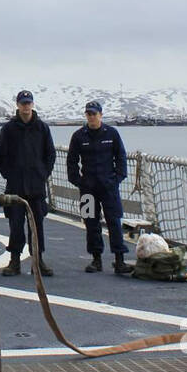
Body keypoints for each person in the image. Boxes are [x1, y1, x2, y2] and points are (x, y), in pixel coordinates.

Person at [66, 100, 132, 274]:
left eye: (94, 114)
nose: (91, 117)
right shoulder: (78, 136)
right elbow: (72, 161)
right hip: (88, 188)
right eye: (89, 114)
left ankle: (119, 260)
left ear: (100, 115)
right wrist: (77, 181)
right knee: (90, 222)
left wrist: (117, 178)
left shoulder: (112, 134)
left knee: (114, 221)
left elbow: (121, 157)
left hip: (109, 187)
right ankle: (96, 259)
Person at [0, 90, 56, 276]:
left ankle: (37, 261)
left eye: (28, 103)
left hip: (36, 187)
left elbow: (50, 154)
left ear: (32, 104)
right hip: (15, 186)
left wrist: (43, 174)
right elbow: (2, 155)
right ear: (18, 105)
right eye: (23, 103)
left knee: (36, 226)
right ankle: (14, 261)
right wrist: (9, 175)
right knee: (15, 225)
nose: (26, 106)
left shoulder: (42, 128)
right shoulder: (8, 129)